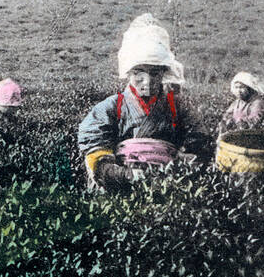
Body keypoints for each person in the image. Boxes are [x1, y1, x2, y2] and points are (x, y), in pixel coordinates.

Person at [78, 13, 203, 189]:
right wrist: (125, 174)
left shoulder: (179, 107)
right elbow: (97, 156)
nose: (147, 81)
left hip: (168, 185)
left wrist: (181, 161)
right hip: (121, 186)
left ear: (164, 73)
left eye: (154, 73)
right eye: (138, 73)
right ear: (129, 73)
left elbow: (198, 145)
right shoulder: (111, 108)